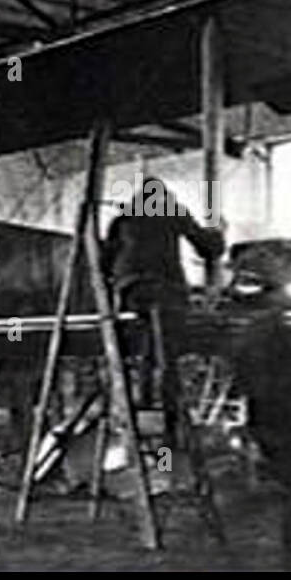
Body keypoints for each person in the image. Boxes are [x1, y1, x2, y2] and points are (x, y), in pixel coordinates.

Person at [101, 175, 225, 444]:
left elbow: (103, 263)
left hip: (132, 295)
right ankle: (168, 426)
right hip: (166, 292)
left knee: (149, 346)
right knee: (167, 354)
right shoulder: (173, 213)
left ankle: (142, 405)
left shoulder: (123, 219)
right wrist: (218, 232)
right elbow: (209, 249)